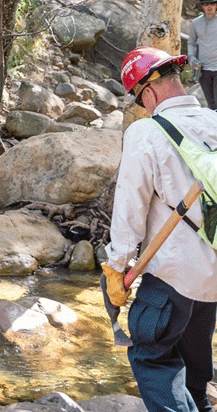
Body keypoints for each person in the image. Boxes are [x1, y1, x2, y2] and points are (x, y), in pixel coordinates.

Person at [103, 45, 217, 412]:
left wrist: (116, 268)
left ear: (147, 92)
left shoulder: (146, 133)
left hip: (173, 275)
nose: (143, 107)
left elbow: (129, 214)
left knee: (150, 354)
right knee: (196, 367)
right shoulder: (214, 122)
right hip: (212, 279)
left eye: (139, 100)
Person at [189, 0, 217, 109]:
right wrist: (191, 57)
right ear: (202, 6)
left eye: (212, 3)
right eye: (206, 4)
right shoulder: (195, 23)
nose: (209, 7)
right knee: (211, 104)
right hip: (203, 69)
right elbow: (191, 42)